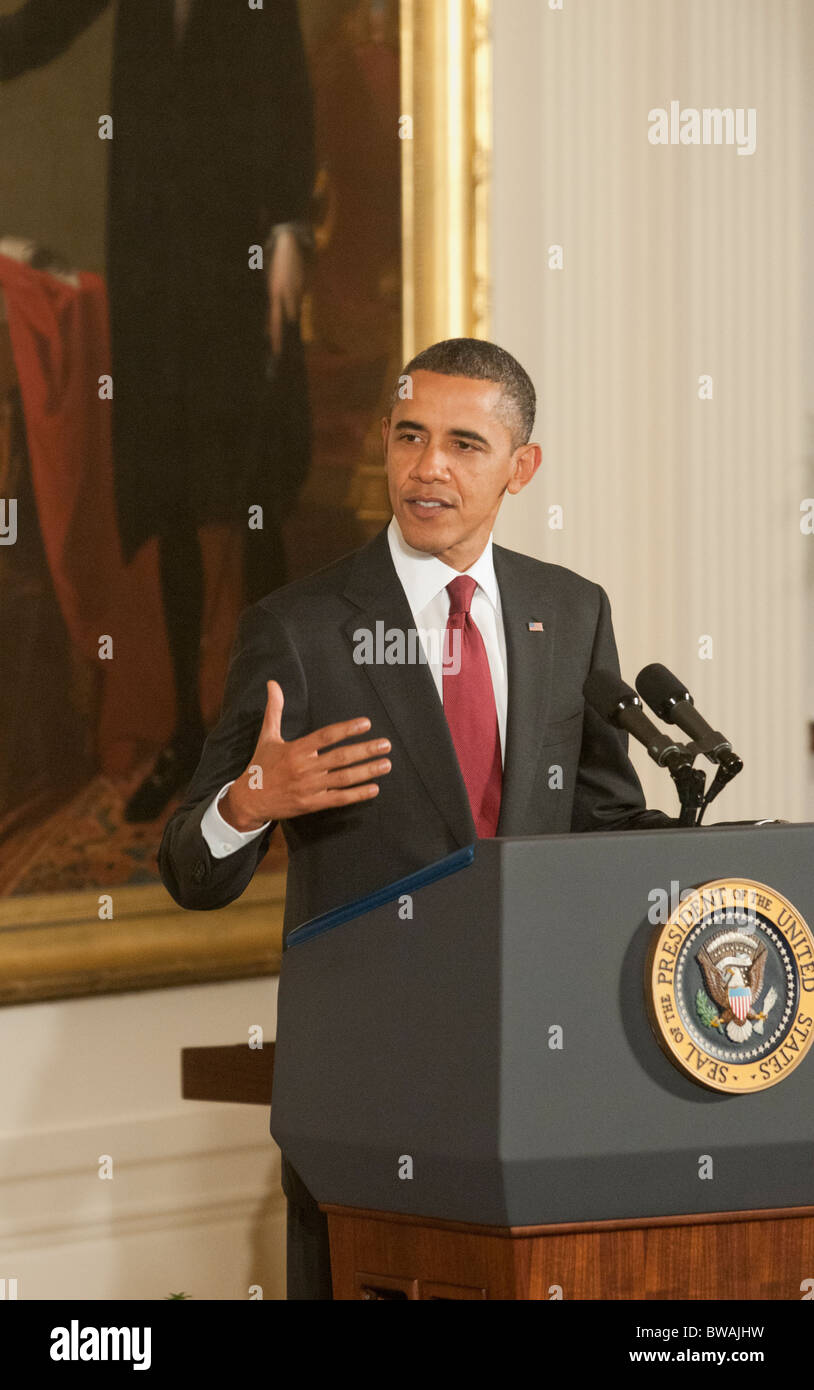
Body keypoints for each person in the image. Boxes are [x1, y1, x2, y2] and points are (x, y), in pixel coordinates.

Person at [159, 337, 675, 1299]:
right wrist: (247, 805)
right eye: (409, 435)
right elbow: (189, 867)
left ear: (521, 468)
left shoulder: (568, 610)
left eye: (464, 444)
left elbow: (603, 824)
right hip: (370, 1086)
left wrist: (703, 862)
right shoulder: (300, 626)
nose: (428, 466)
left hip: (545, 1072)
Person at [0, 0, 315, 819]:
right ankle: (189, 730)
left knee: (252, 496)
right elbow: (37, 29)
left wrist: (286, 230)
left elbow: (289, 92)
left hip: (239, 263)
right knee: (171, 497)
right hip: (151, 264)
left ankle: (276, 730)